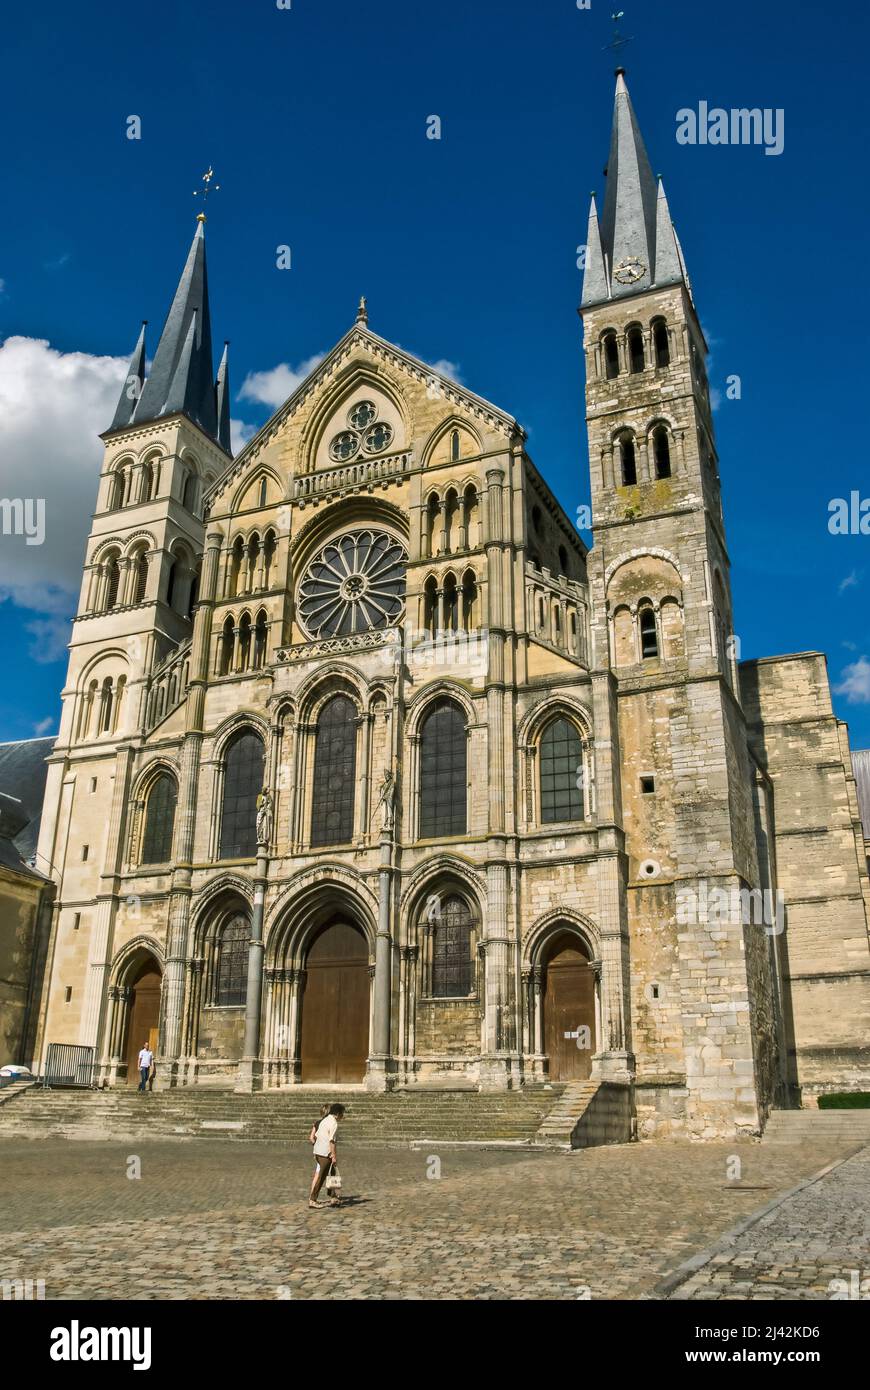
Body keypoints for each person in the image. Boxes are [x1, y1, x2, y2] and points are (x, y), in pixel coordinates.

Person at [308, 1103, 345, 1209]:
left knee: (333, 1174)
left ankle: (334, 1197)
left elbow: (316, 1135)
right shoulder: (333, 1123)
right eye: (342, 1114)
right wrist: (333, 1155)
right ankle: (313, 1199)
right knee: (322, 1176)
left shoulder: (325, 1120)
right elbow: (331, 1141)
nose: (343, 1116)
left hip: (318, 1151)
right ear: (338, 1114)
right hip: (325, 1153)